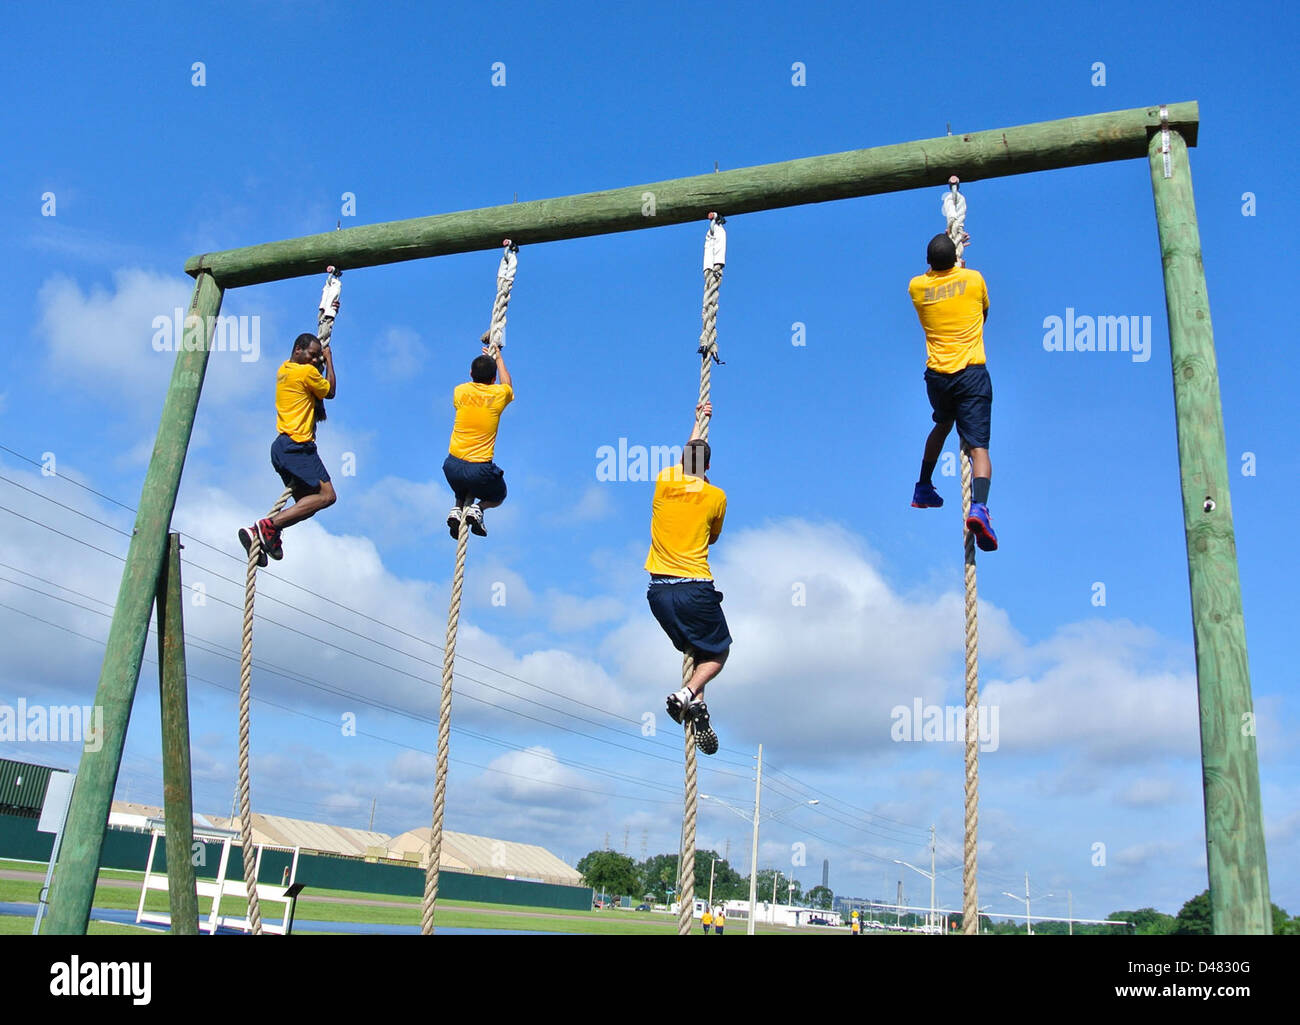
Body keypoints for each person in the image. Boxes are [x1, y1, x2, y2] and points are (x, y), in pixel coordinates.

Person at [645, 401, 729, 756]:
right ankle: (688, 693)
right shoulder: (716, 496)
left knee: (696, 649)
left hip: (658, 594)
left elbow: (688, 459)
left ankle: (696, 705)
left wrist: (699, 420)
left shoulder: (664, 481)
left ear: (681, 462)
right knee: (719, 652)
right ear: (708, 466)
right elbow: (711, 538)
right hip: (694, 587)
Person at [908, 234, 998, 551]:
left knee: (943, 425)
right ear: (955, 260)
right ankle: (980, 508)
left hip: (937, 377)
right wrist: (960, 259)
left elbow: (941, 277)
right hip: (971, 374)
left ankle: (923, 486)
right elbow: (982, 314)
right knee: (978, 450)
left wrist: (952, 254)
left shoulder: (917, 288)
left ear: (929, 263)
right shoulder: (974, 280)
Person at [239, 332, 337, 565]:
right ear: (297, 351)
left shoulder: (284, 369)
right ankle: (268, 526)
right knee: (327, 496)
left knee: (308, 504)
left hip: (281, 449)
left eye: (317, 357)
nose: (315, 361)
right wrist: (328, 359)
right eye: (312, 355)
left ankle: (265, 535)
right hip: (298, 446)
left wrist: (316, 362)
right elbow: (330, 391)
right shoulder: (306, 373)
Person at [444, 335, 513, 538]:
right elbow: (507, 385)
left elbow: (477, 382)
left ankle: (457, 507)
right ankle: (479, 508)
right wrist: (498, 359)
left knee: (462, 483)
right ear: (493, 380)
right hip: (479, 471)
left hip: (451, 467)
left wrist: (484, 366)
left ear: (470, 373)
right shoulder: (498, 395)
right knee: (500, 495)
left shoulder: (460, 391)